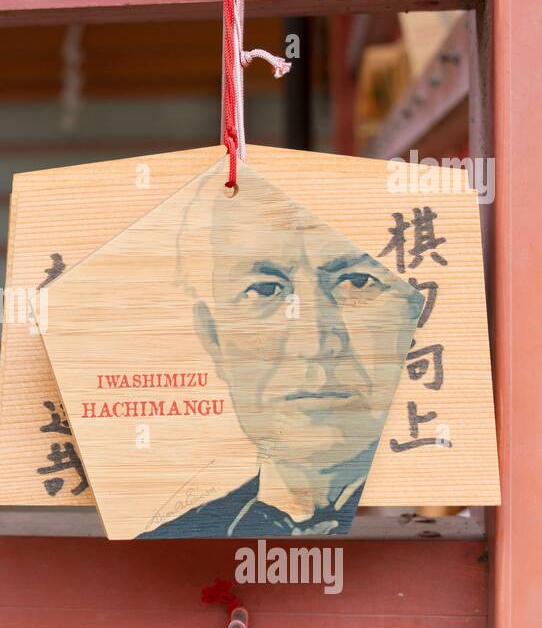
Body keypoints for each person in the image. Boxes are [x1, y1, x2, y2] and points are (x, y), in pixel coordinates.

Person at [140, 176, 423, 538]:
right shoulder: (170, 540)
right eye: (264, 290)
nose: (314, 341)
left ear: (417, 312)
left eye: (357, 282)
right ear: (213, 339)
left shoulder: (462, 520)